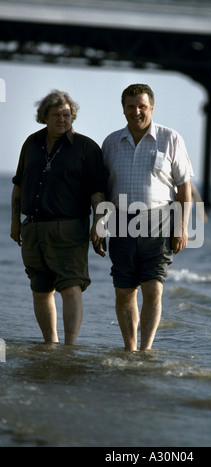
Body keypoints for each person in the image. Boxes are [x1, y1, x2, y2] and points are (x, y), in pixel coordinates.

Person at [102, 84, 194, 351]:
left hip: (160, 220)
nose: (137, 111)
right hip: (120, 221)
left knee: (153, 289)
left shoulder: (171, 138)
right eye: (131, 106)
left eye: (142, 106)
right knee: (124, 291)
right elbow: (102, 190)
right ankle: (130, 349)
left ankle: (146, 349)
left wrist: (182, 227)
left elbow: (184, 187)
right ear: (123, 109)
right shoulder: (110, 142)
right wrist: (97, 225)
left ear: (151, 108)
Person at [10, 90, 106, 345]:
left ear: (72, 116)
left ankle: (70, 346)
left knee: (71, 286)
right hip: (33, 228)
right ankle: (49, 345)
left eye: (66, 114)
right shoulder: (31, 143)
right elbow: (18, 185)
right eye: (56, 115)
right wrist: (14, 223)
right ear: (44, 117)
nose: (62, 119)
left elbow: (98, 192)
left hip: (69, 228)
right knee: (40, 289)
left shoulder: (87, 148)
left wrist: (99, 223)